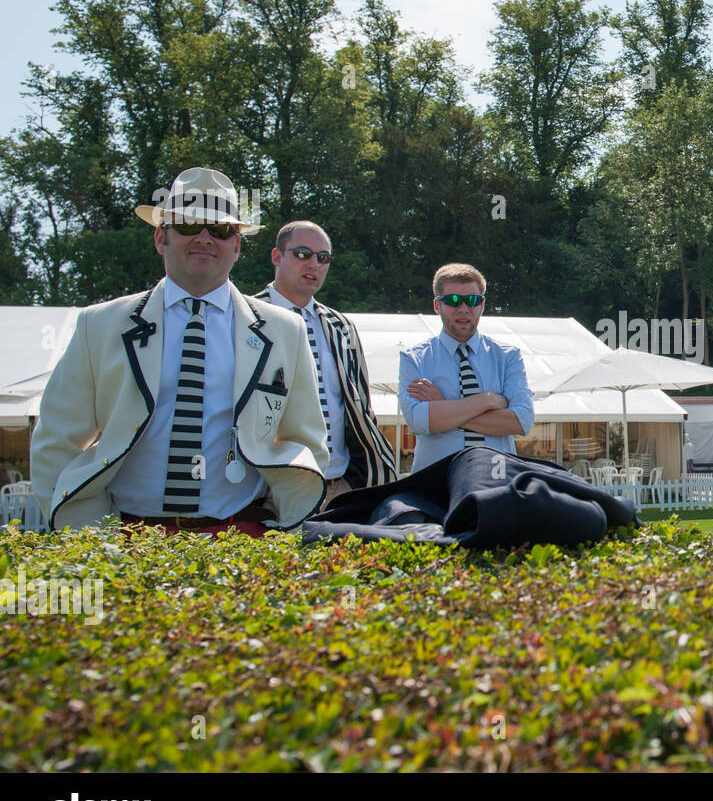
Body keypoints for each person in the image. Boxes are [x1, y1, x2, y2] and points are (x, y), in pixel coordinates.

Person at [31, 167, 328, 533]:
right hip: (124, 539)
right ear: (161, 238)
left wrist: (281, 530)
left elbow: (307, 442)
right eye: (188, 225)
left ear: (236, 246)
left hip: (244, 538)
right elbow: (56, 442)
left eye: (220, 230)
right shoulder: (99, 325)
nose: (204, 237)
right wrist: (90, 538)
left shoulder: (286, 331)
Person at [254, 221, 397, 506]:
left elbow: (360, 410)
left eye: (323, 258)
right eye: (303, 254)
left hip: (340, 487)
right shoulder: (246, 318)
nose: (314, 264)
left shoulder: (340, 326)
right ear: (276, 256)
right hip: (269, 490)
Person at [398, 263, 534, 472]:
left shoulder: (508, 357)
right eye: (453, 300)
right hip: (435, 488)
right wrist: (488, 400)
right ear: (437, 306)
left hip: (497, 483)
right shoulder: (414, 358)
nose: (463, 308)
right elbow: (418, 421)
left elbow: (521, 422)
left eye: (472, 300)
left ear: (482, 305)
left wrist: (443, 406)